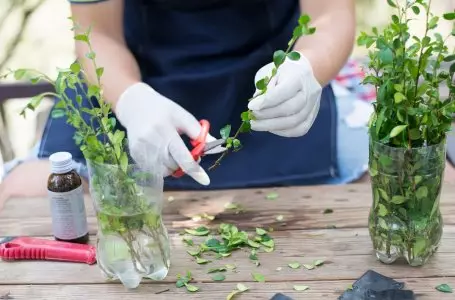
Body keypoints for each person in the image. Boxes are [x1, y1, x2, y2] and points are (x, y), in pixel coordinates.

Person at [3, 0, 453, 205]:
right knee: (27, 196)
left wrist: (308, 68)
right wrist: (131, 100)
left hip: (266, 82)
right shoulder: (128, 93)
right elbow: (96, 32)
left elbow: (332, 15)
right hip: (130, 79)